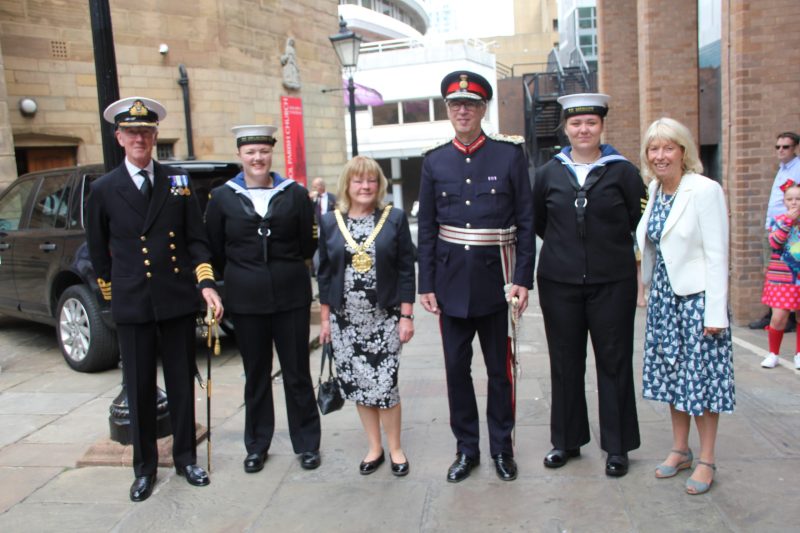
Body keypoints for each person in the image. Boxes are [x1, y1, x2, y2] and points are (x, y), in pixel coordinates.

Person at [86, 97, 224, 502]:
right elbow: (97, 250)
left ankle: (185, 458)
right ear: (119, 138)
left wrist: (206, 284)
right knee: (141, 388)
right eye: (131, 132)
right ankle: (144, 468)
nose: (139, 139)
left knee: (182, 383)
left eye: (146, 132)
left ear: (155, 136)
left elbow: (196, 241)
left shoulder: (176, 181)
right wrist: (112, 293)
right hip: (133, 302)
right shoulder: (104, 188)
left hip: (175, 298)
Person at [417, 70, 534, 483]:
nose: (462, 110)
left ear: (484, 108)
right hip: (450, 285)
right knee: (455, 369)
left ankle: (502, 448)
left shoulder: (509, 156)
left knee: (500, 371)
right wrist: (425, 284)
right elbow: (428, 228)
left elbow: (525, 220)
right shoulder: (434, 160)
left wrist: (523, 279)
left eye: (470, 103)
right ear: (448, 110)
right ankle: (467, 449)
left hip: (497, 281)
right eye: (455, 104)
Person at [533, 93, 644, 477]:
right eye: (576, 124)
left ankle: (617, 446)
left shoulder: (624, 172)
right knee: (565, 363)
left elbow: (637, 220)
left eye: (591, 123)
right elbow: (539, 223)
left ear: (601, 127)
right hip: (559, 283)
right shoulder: (548, 173)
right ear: (566, 128)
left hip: (612, 283)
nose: (583, 130)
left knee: (614, 363)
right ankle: (566, 441)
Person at [204, 125, 321, 474]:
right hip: (246, 299)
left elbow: (307, 244)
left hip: (291, 296)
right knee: (255, 374)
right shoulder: (222, 197)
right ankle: (257, 445)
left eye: (263, 152)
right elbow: (215, 249)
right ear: (240, 156)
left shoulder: (295, 194)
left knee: (297, 372)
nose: (258, 158)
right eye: (250, 152)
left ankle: (307, 444)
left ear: (272, 154)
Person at [636, 117, 734, 495]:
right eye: (654, 149)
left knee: (704, 382)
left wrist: (716, 314)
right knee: (674, 378)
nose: (660, 156)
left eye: (668, 147)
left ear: (683, 151)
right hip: (664, 300)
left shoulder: (704, 190)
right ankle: (681, 449)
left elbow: (716, 254)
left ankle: (706, 458)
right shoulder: (657, 189)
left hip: (697, 303)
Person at [317, 156, 416, 476]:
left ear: (379, 184)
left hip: (384, 318)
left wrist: (406, 315)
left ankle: (396, 448)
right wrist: (325, 320)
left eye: (371, 180)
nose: (365, 186)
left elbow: (405, 268)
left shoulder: (394, 218)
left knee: (385, 385)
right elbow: (325, 273)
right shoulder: (331, 221)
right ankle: (374, 448)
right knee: (359, 385)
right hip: (345, 321)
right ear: (347, 184)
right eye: (358, 180)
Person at [749, 132, 800, 330]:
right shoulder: (782, 169)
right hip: (774, 225)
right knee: (770, 270)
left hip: (790, 229)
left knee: (790, 268)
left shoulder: (797, 168)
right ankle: (775, 314)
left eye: (785, 147)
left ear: (794, 148)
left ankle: (784, 317)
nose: (780, 150)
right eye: (777, 147)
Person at [759, 180, 800, 369]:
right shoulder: (779, 220)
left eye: (798, 199)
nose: (794, 203)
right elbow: (775, 243)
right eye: (790, 199)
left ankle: (798, 353)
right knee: (778, 317)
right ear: (784, 201)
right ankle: (773, 353)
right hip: (781, 277)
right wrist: (788, 222)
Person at [310, 177, 337, 276]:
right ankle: (318, 272)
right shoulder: (313, 199)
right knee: (317, 252)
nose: (313, 189)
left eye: (315, 186)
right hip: (316, 230)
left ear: (321, 186)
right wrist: (311, 200)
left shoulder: (332, 198)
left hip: (329, 230)